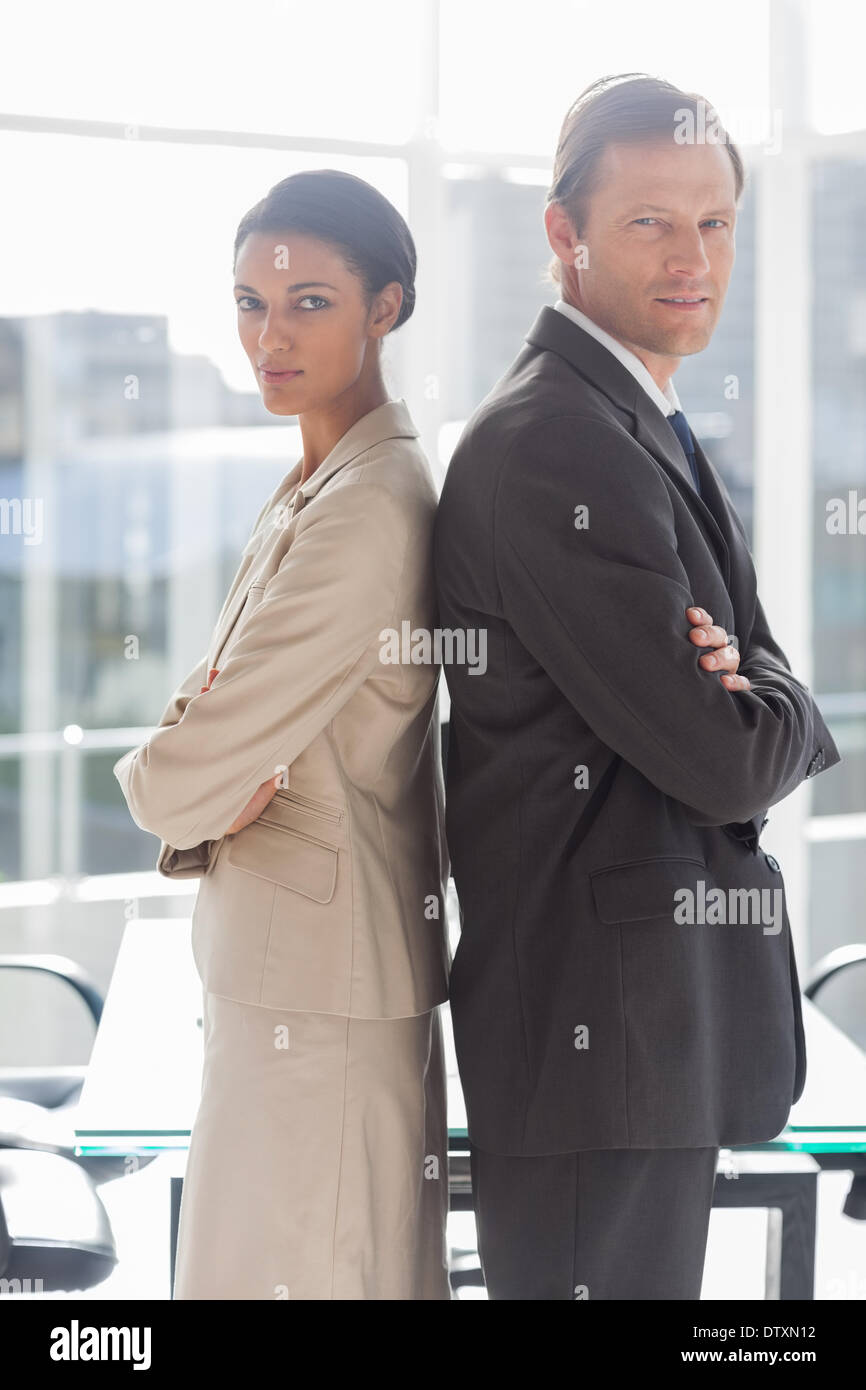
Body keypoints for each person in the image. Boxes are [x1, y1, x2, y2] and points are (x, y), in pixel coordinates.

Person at [433, 74, 841, 1300]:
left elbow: (747, 662)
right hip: (595, 1032)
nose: (692, 256)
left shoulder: (632, 417)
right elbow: (721, 755)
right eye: (649, 222)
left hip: (632, 1032)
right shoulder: (557, 440)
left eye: (713, 222)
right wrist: (785, 702)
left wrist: (756, 682)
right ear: (563, 236)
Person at [114, 169, 451, 1300]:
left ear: (385, 307)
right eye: (250, 303)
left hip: (324, 998)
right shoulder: (311, 483)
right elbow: (210, 716)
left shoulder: (367, 507)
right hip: (288, 980)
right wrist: (202, 764)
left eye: (310, 300)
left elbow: (180, 772)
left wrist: (180, 782)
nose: (270, 333)